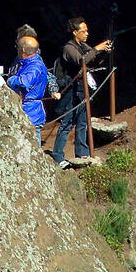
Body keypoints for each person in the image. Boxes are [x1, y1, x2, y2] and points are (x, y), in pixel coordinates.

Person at [51, 17, 112, 170]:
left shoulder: (82, 45)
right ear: (74, 32)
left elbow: (92, 59)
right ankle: (57, 155)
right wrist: (98, 48)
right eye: (83, 31)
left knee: (83, 122)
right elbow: (82, 61)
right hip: (70, 91)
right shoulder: (69, 48)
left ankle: (82, 153)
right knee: (66, 123)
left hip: (81, 89)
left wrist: (104, 51)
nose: (87, 33)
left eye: (86, 30)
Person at [6, 26, 60, 146]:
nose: (16, 45)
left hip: (30, 108)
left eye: (18, 42)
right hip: (21, 103)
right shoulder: (20, 59)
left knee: (32, 144)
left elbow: (36, 77)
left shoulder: (34, 61)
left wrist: (53, 89)